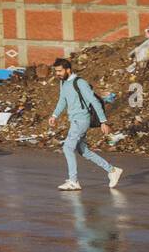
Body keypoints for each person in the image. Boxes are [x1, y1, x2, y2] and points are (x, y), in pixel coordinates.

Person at [48, 57, 122, 191]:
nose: (57, 74)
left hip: (81, 120)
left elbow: (94, 101)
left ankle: (73, 181)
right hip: (74, 120)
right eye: (56, 71)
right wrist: (54, 115)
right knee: (84, 151)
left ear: (68, 70)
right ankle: (112, 170)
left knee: (67, 148)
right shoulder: (63, 83)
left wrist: (103, 122)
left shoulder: (80, 83)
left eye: (59, 71)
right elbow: (62, 100)